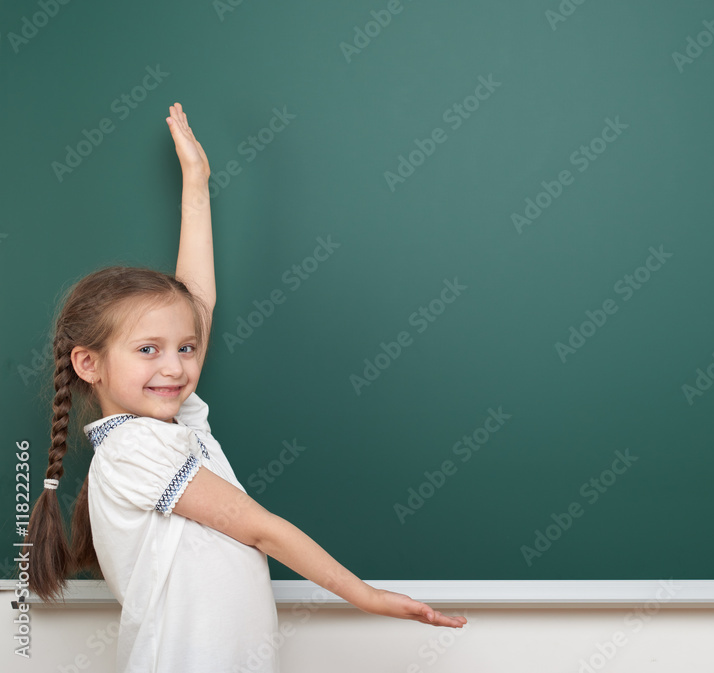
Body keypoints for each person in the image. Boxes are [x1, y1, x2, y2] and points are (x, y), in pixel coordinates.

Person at [26, 103, 466, 672]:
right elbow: (261, 528)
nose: (176, 366)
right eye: (147, 350)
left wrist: (197, 184)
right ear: (89, 364)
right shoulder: (136, 449)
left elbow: (196, 303)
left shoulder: (173, 427)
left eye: (185, 349)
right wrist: (368, 596)